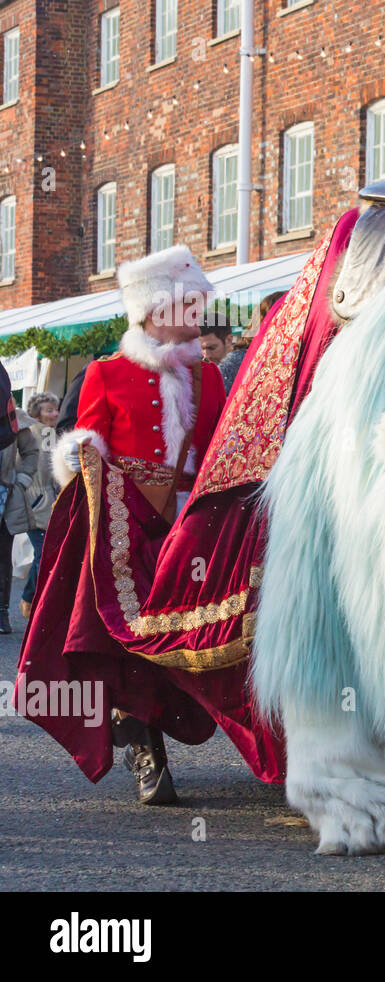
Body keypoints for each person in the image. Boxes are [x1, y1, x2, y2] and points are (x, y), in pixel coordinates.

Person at [36, 245, 227, 805]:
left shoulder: (210, 377)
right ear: (156, 309)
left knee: (194, 635)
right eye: (190, 303)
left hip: (192, 529)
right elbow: (86, 446)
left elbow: (223, 449)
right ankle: (144, 745)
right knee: (127, 639)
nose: (199, 314)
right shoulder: (106, 373)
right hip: (125, 530)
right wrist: (80, 457)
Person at [14, 392, 60, 621]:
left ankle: (35, 600)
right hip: (38, 502)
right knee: (44, 554)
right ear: (37, 414)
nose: (55, 414)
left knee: (46, 554)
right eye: (49, 410)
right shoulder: (39, 433)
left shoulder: (45, 433)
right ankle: (29, 598)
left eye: (56, 409)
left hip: (44, 501)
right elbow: (48, 468)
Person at [0, 406, 39, 634]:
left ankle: (1, 613)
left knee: (2, 556)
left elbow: (31, 451)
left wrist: (22, 480)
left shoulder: (14, 418)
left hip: (5, 496)